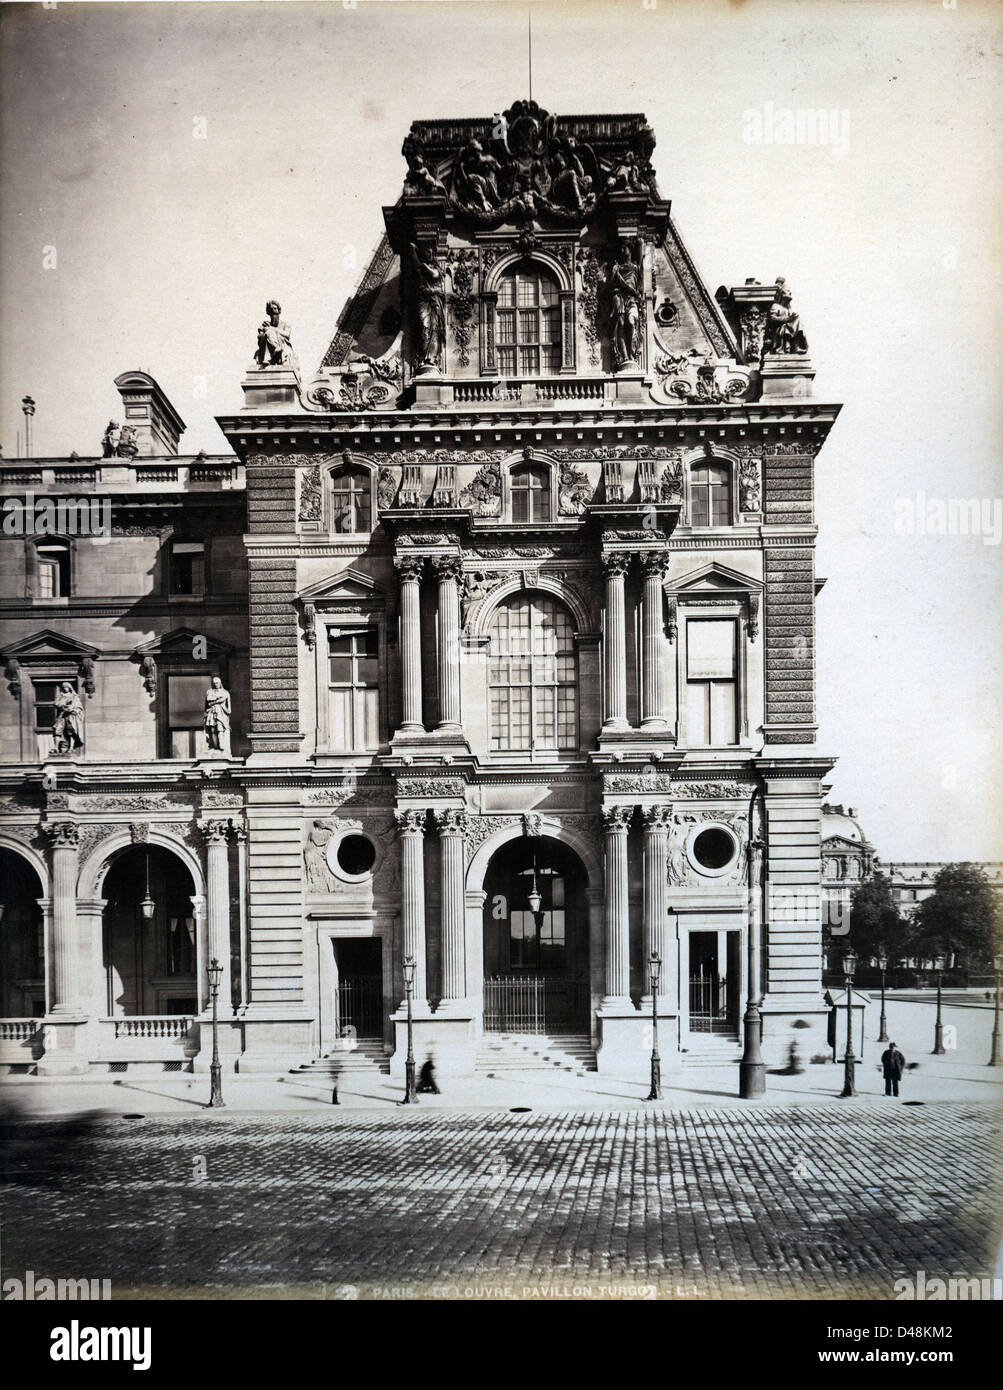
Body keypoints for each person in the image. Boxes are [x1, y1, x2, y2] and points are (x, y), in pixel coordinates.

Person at [53, 682, 84, 753]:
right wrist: (63, 705)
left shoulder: (74, 697)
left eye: (66, 687)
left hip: (70, 716)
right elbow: (56, 703)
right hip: (61, 715)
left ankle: (70, 748)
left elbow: (79, 707)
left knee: (71, 731)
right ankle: (56, 747)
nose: (65, 689)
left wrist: (73, 709)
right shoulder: (61, 696)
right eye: (63, 688)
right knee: (57, 730)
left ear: (69, 688)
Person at [203, 676, 231, 754]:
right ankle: (214, 747)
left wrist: (214, 702)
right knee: (212, 729)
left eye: (217, 683)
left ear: (220, 683)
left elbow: (229, 708)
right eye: (214, 683)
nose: (215, 684)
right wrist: (217, 700)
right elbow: (207, 703)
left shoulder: (225, 692)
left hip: (221, 713)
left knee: (220, 728)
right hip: (211, 712)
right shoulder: (209, 692)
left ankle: (221, 746)